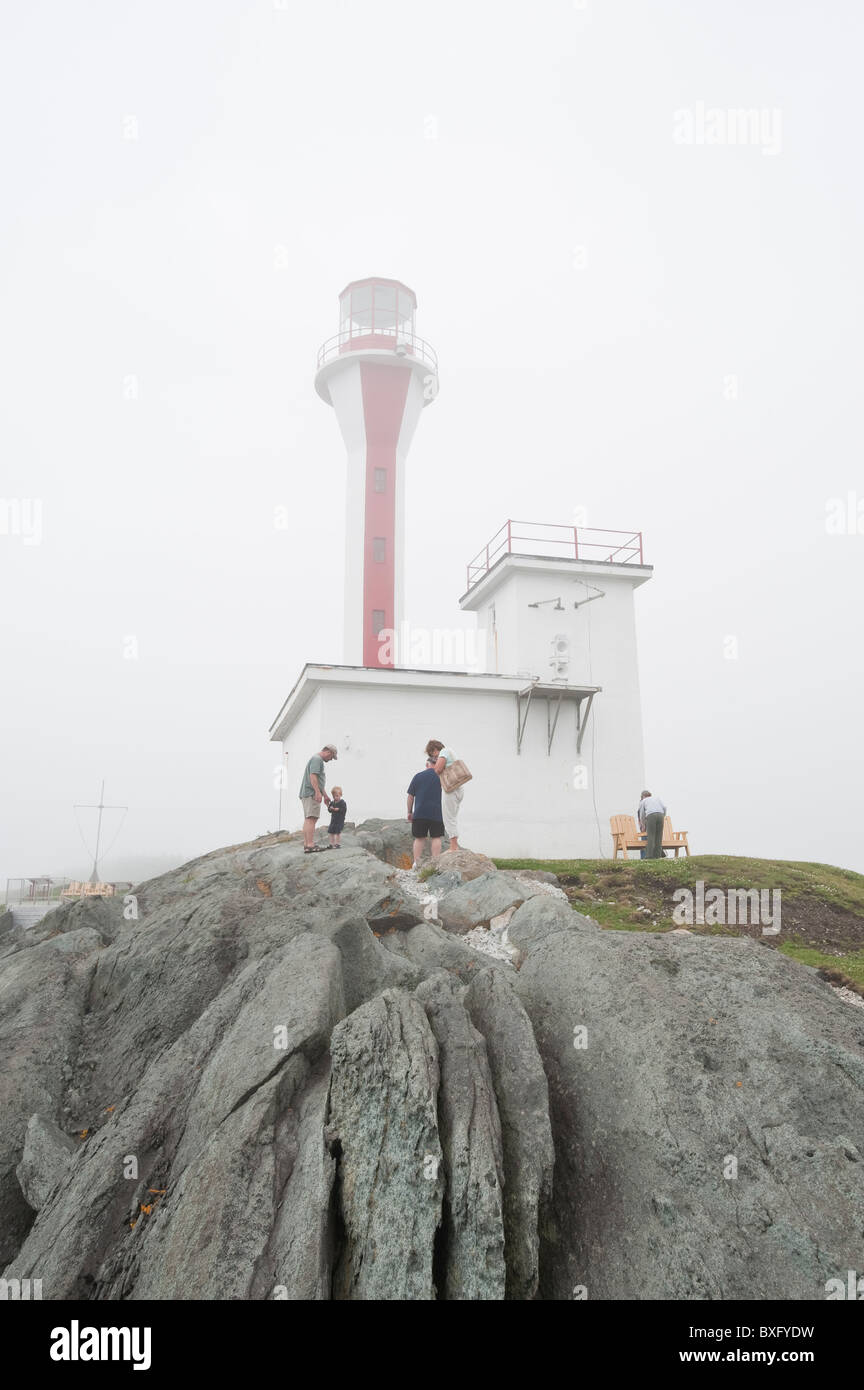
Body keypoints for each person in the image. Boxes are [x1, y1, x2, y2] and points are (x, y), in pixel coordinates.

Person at [407, 758, 445, 870]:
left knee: (419, 838)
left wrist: (409, 812)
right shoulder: (442, 776)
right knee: (436, 837)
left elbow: (410, 796)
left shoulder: (418, 776)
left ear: (427, 764)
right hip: (437, 812)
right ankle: (435, 863)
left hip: (419, 813)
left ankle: (416, 863)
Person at [299, 744, 338, 854]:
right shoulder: (317, 760)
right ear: (328, 752)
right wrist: (317, 792)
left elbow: (318, 780)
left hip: (307, 793)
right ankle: (310, 845)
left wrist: (324, 795)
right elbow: (313, 776)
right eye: (331, 757)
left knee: (309, 818)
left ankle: (307, 844)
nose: (331, 760)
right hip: (311, 793)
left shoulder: (315, 759)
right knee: (312, 818)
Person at [426, 738, 463, 851]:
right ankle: (454, 845)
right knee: (452, 817)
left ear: (435, 749)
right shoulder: (450, 751)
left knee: (448, 818)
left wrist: (435, 765)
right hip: (458, 787)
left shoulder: (444, 752)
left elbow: (437, 769)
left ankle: (453, 847)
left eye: (432, 754)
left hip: (451, 789)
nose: (434, 758)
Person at [638, 789, 667, 859]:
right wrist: (663, 816)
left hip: (651, 816)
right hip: (660, 815)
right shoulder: (657, 798)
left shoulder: (643, 801)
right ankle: (657, 856)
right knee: (659, 836)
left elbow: (641, 813)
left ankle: (649, 856)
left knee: (651, 835)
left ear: (643, 796)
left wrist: (643, 824)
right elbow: (664, 808)